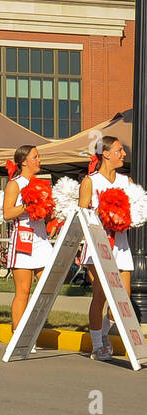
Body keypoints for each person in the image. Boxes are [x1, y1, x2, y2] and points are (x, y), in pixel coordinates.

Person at [80, 136, 134, 361]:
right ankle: (97, 345)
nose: (123, 154)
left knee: (124, 299)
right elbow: (82, 216)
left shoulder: (126, 181)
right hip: (99, 244)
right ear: (106, 154)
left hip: (120, 244)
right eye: (119, 150)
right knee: (100, 297)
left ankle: (102, 334)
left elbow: (136, 209)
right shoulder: (90, 182)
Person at [2, 144, 52, 333]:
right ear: (23, 162)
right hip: (23, 237)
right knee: (23, 291)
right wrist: (28, 206)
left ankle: (32, 326)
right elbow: (7, 213)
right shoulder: (15, 184)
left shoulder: (41, 184)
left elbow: (46, 214)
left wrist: (49, 210)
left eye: (39, 157)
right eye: (35, 157)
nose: (39, 160)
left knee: (48, 284)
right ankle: (19, 333)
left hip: (41, 237)